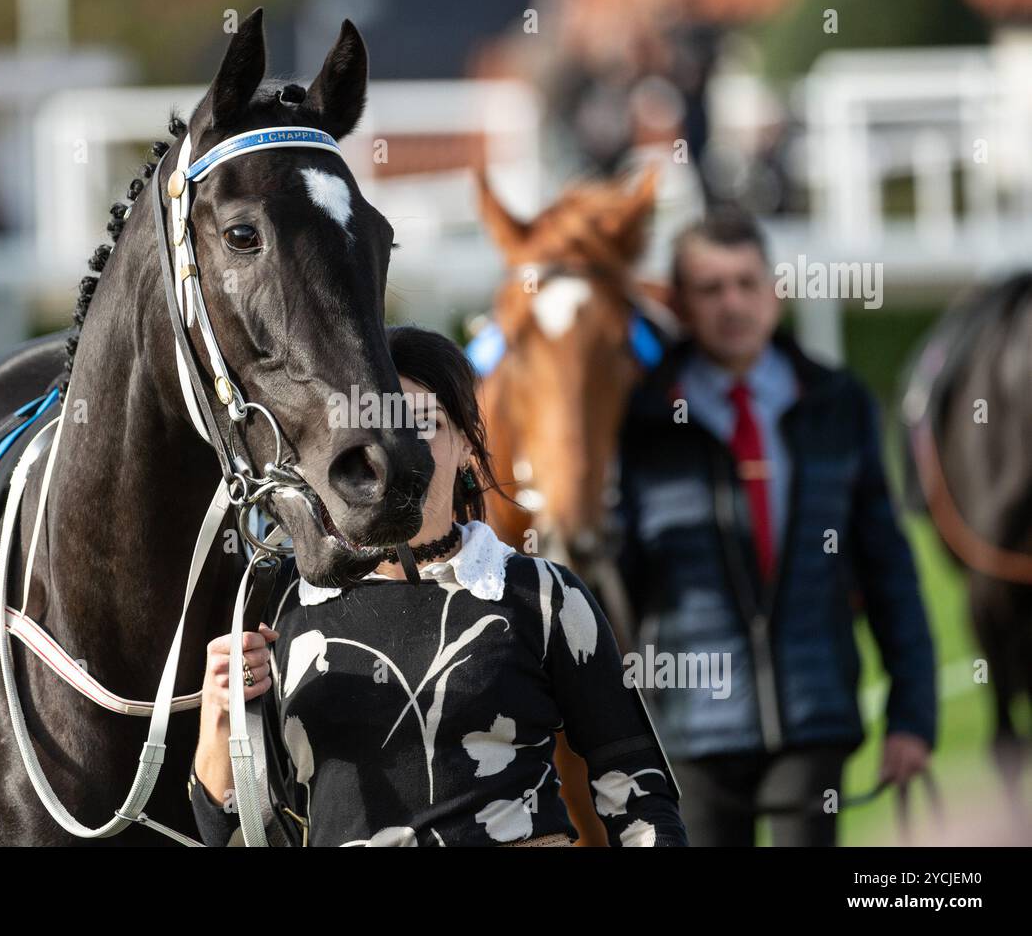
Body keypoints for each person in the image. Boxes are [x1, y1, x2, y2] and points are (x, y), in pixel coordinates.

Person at [189, 325, 687, 847]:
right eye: (376, 423)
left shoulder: (541, 595)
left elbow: (636, 786)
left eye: (424, 423)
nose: (398, 445)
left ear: (469, 443)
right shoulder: (283, 604)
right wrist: (221, 715)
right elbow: (224, 829)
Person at [613, 207, 936, 846]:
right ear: (677, 303)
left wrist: (913, 716)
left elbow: (888, 566)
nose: (733, 304)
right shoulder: (639, 421)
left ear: (776, 292)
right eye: (710, 289)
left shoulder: (837, 403)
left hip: (814, 719)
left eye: (746, 283)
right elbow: (610, 590)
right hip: (688, 733)